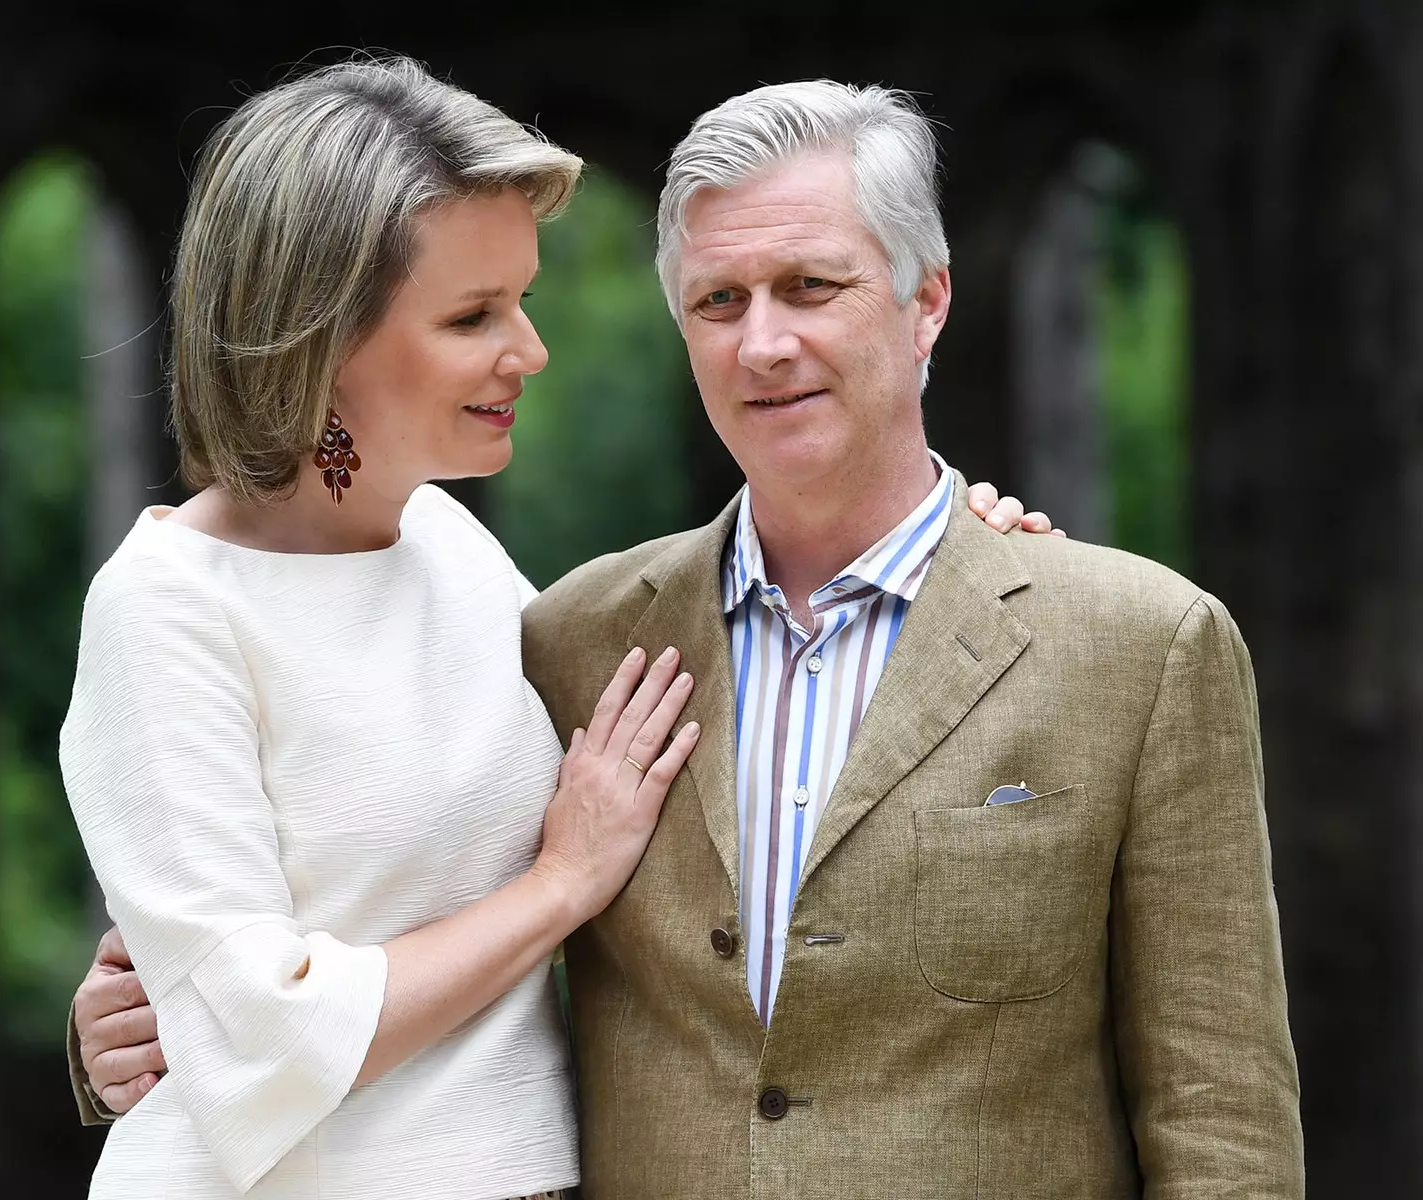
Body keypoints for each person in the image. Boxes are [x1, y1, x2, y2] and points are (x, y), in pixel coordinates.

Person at [59, 58, 1052, 1199]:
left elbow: (744, 731)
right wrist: (557, 884)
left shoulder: (451, 550)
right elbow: (267, 1037)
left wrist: (952, 551)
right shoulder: (167, 606)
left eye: (519, 299)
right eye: (474, 315)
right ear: (317, 340)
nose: (528, 349)